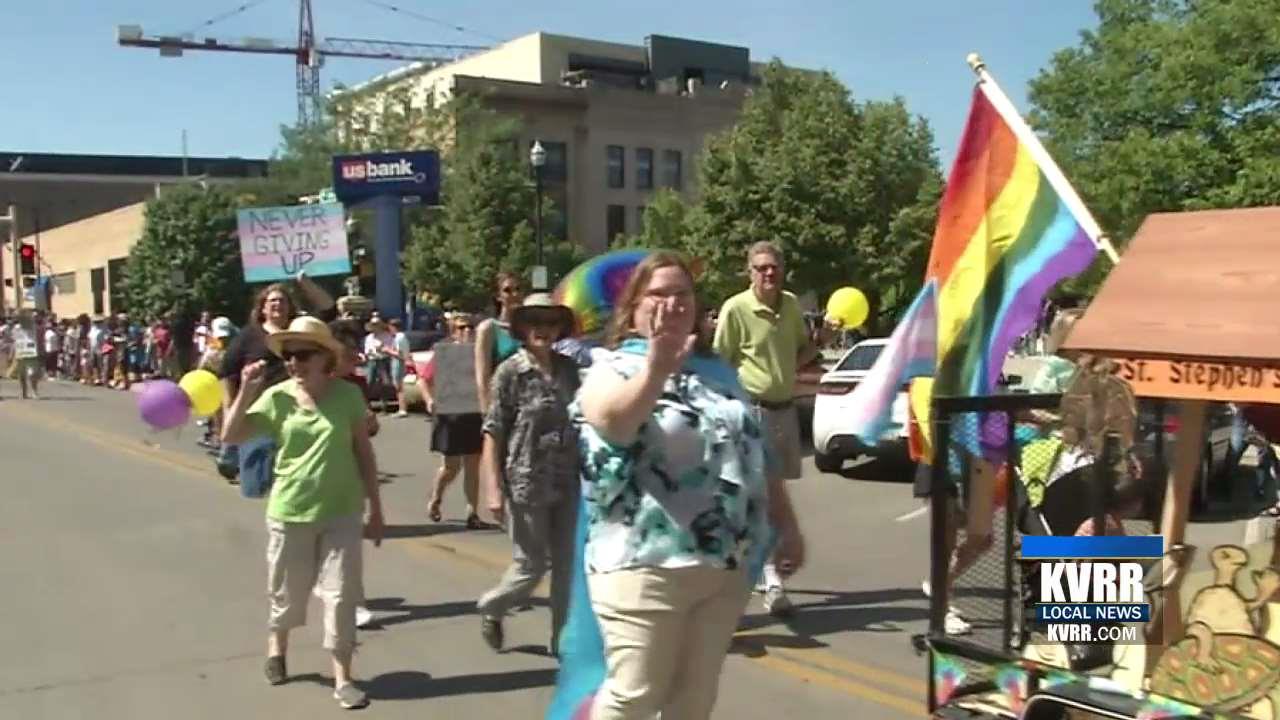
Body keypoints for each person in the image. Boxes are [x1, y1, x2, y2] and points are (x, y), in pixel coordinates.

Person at [575, 251, 801, 719]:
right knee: (634, 697)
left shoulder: (718, 373)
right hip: (643, 566)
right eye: (658, 294)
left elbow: (756, 452)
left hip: (721, 565)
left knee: (693, 701)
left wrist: (786, 523)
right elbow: (614, 423)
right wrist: (656, 370)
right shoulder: (610, 368)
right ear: (632, 308)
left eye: (683, 294)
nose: (672, 304)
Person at [221, 316, 383, 710]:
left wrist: (376, 508)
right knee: (288, 597)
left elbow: (364, 452)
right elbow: (231, 436)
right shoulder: (277, 396)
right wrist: (246, 391)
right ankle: (277, 647)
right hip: (290, 511)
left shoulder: (347, 396)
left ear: (324, 356)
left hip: (341, 510)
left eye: (303, 354)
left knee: (342, 596)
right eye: (289, 355)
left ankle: (343, 677)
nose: (293, 362)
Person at [713, 241, 818, 616]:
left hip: (783, 411)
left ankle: (757, 573)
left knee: (772, 496)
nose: (768, 273)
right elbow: (719, 364)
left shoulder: (790, 306)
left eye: (773, 267)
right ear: (749, 272)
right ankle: (767, 580)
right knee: (757, 499)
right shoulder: (736, 309)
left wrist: (825, 340)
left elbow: (800, 357)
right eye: (760, 268)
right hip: (750, 412)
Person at [476, 294, 581, 655]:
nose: (543, 330)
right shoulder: (510, 372)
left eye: (550, 323)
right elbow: (493, 430)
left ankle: (562, 640)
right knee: (532, 565)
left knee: (568, 566)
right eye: (535, 322)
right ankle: (494, 605)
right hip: (526, 480)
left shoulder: (570, 370)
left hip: (569, 478)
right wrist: (492, 488)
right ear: (522, 328)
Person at [219, 276, 335, 493]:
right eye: (272, 301)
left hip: (300, 412)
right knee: (258, 484)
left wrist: (304, 281)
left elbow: (329, 309)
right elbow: (227, 372)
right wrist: (229, 409)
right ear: (262, 308)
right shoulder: (249, 336)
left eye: (282, 300)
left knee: (299, 476)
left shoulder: (300, 331)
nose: (278, 305)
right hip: (264, 414)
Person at [424, 313, 484, 529]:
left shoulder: (481, 352)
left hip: (474, 413)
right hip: (449, 414)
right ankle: (436, 498)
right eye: (461, 327)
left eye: (470, 327)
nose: (467, 331)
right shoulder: (445, 352)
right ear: (453, 330)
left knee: (473, 465)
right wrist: (429, 400)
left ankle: (472, 513)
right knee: (451, 467)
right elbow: (425, 379)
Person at [474, 271, 524, 413]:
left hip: (528, 405)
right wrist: (487, 413)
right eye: (507, 290)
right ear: (498, 296)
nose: (514, 294)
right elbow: (483, 377)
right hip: (501, 404)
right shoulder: (489, 329)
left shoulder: (530, 329)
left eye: (518, 289)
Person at [363, 314, 395, 414]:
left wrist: (382, 349)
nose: (375, 327)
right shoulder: (368, 338)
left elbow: (390, 348)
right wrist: (370, 352)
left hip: (383, 360)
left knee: (384, 383)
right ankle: (367, 406)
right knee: (369, 382)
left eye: (377, 325)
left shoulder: (387, 336)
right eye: (374, 325)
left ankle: (384, 406)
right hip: (372, 360)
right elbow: (367, 350)